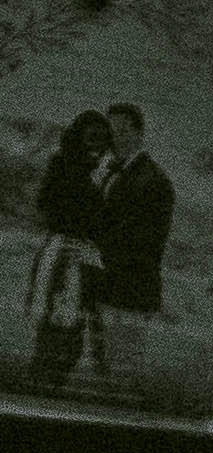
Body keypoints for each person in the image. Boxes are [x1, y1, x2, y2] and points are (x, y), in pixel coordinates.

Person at [85, 98, 174, 398]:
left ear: (139, 134)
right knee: (104, 371)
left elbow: (146, 243)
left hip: (130, 290)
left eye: (123, 132)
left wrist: (96, 249)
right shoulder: (108, 171)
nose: (115, 139)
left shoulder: (154, 182)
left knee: (122, 374)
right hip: (104, 285)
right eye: (110, 132)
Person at [20, 108, 111, 387]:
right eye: (90, 137)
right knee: (53, 315)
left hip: (85, 251)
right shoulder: (62, 165)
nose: (94, 145)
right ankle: (43, 373)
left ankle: (55, 373)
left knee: (76, 317)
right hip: (62, 247)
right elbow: (48, 205)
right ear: (78, 138)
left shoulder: (106, 173)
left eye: (100, 138)